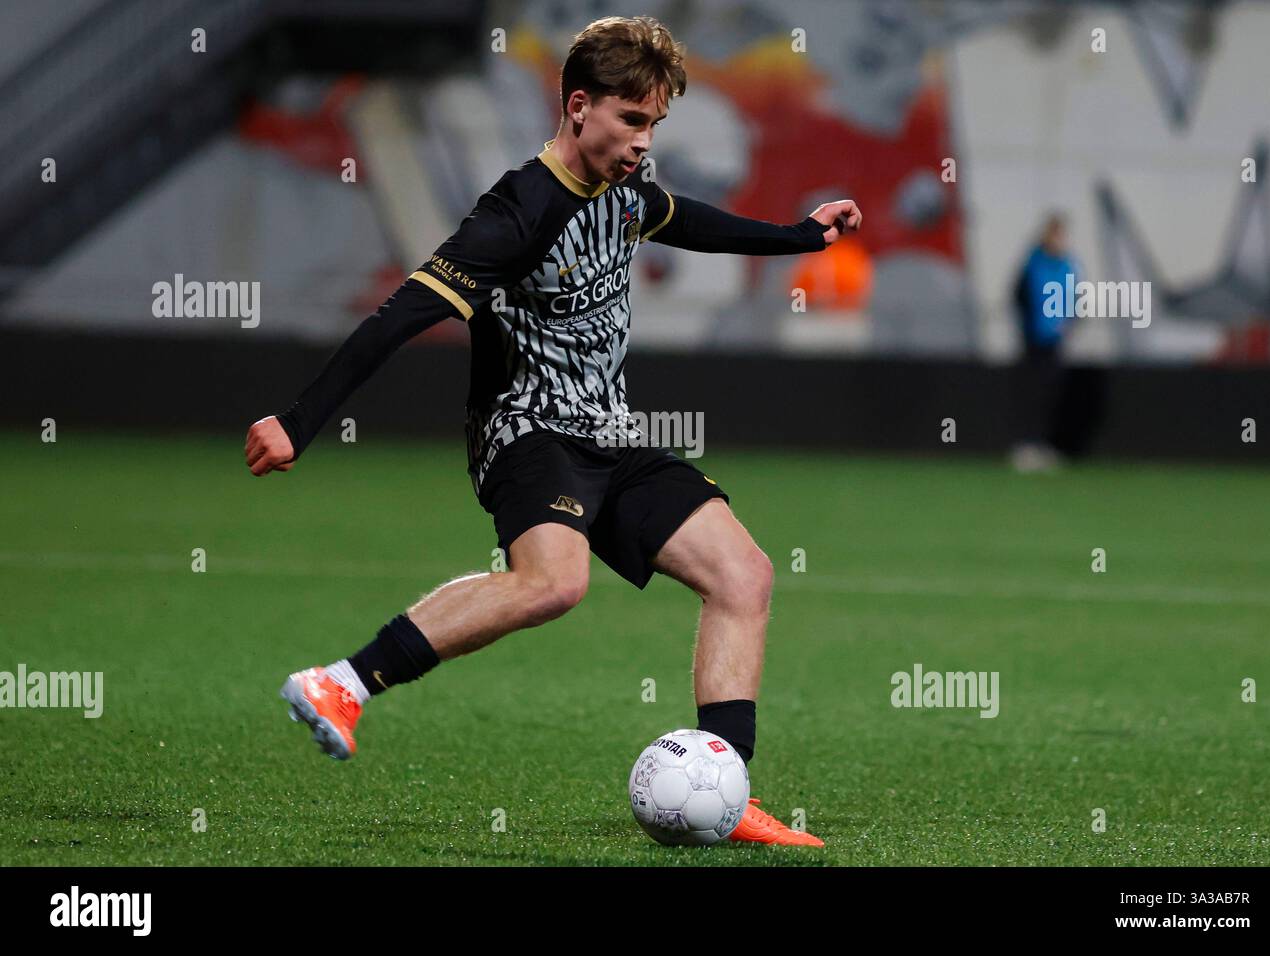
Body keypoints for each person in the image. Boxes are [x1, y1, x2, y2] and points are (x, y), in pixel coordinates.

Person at [244, 15, 860, 847]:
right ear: (579, 107)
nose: (645, 141)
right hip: (526, 433)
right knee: (554, 582)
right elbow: (401, 315)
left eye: (655, 124)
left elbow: (687, 220)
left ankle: (729, 786)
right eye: (632, 120)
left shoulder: (625, 192)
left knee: (743, 575)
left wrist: (799, 236)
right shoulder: (516, 213)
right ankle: (340, 683)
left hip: (608, 432)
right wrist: (298, 421)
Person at [1010, 213, 1079, 472]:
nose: (1059, 240)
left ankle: (1044, 444)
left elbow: (1073, 299)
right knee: (1031, 392)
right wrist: (1028, 329)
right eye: (1055, 234)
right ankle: (1026, 445)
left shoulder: (1067, 265)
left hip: (1055, 341)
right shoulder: (1033, 263)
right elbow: (1018, 296)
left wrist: (1069, 322)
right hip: (1033, 340)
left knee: (1052, 394)